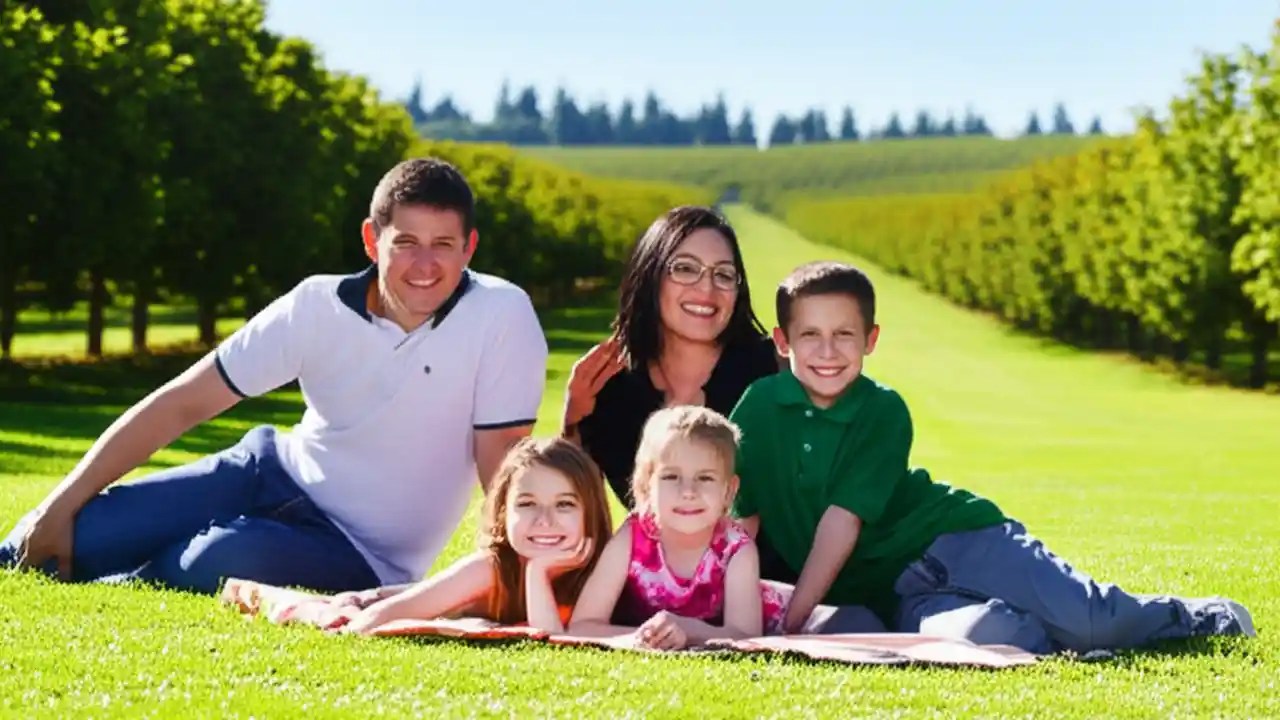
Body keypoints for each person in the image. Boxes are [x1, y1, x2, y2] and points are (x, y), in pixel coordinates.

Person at [0, 157, 549, 596]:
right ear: (370, 240)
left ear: (470, 247)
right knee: (57, 537)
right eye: (406, 243)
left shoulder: (501, 315)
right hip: (265, 472)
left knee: (206, 560)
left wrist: (502, 580)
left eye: (443, 245)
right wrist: (60, 505)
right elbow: (182, 404)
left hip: (361, 552)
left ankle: (123, 584)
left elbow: (500, 461)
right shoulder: (314, 306)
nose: (425, 266)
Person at [728, 260, 1256, 653]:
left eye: (844, 334)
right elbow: (742, 518)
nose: (827, 351)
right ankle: (1057, 631)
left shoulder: (882, 410)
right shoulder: (756, 410)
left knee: (1096, 621)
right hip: (902, 596)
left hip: (960, 541)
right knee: (988, 640)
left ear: (871, 340)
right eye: (810, 336)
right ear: (781, 341)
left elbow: (841, 524)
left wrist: (789, 621)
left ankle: (1197, 617)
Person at [568, 405, 884, 650]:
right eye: (671, 476)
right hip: (697, 630)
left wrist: (686, 630)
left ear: (729, 492)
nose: (688, 491)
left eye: (704, 478)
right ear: (645, 486)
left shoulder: (736, 548)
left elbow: (745, 637)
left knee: (862, 625)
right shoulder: (632, 537)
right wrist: (645, 638)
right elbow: (584, 626)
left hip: (781, 619)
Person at [273, 437, 612, 635]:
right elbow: (550, 639)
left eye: (565, 504)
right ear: (503, 513)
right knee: (375, 600)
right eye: (527, 503)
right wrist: (537, 573)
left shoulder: (602, 569)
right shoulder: (490, 568)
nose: (545, 520)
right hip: (430, 599)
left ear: (591, 513)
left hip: (441, 595)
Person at [561, 205, 779, 510]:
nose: (707, 288)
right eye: (686, 268)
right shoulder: (612, 391)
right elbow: (573, 518)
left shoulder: (775, 373)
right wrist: (573, 423)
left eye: (724, 274)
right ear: (650, 276)